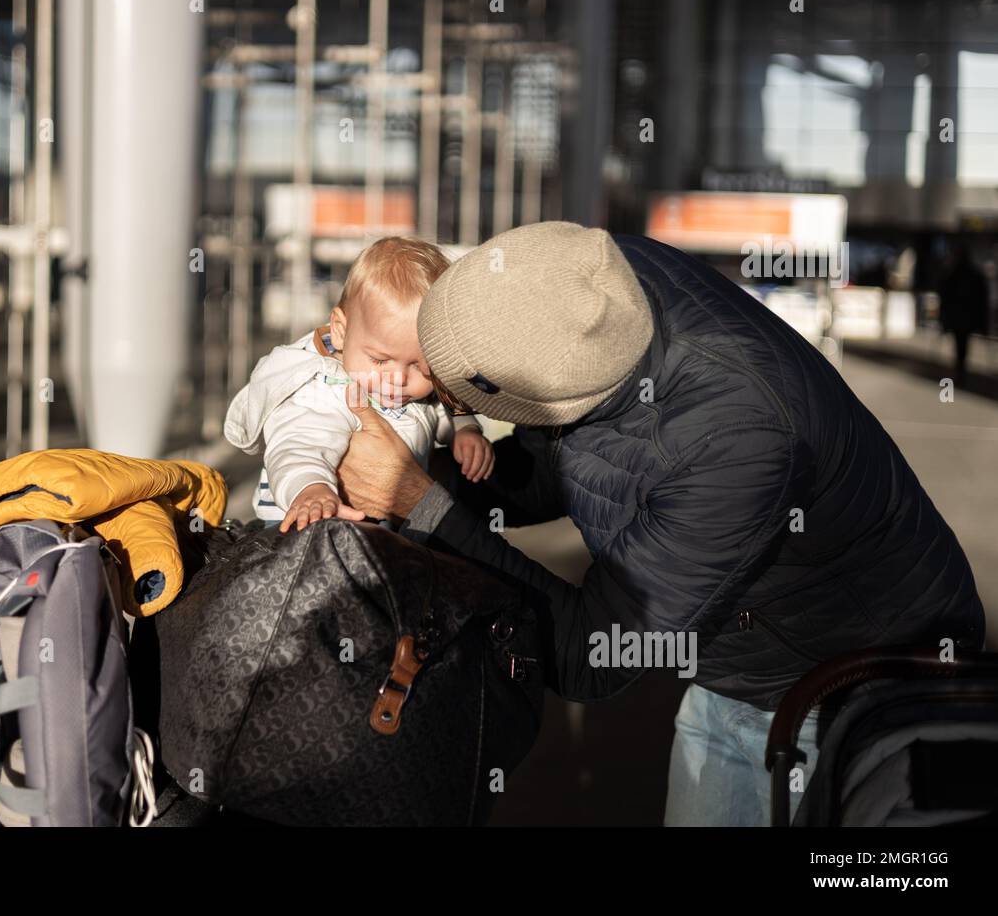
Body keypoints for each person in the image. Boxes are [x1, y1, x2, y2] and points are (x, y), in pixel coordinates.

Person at [335, 221, 985, 826]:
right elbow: (550, 468)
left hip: (841, 680)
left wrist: (420, 499)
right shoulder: (591, 280)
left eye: (452, 396)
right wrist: (422, 480)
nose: (436, 400)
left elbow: (592, 653)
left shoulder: (741, 438)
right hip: (737, 652)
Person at [224, 236, 494, 532]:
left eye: (422, 366)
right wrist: (311, 490)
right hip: (306, 528)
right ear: (340, 331)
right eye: (380, 360)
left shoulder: (416, 393)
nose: (399, 379)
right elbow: (297, 447)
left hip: (381, 535)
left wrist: (464, 429)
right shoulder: (322, 390)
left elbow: (439, 407)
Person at [938, 242, 990, 388]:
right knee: (962, 344)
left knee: (960, 344)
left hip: (959, 317)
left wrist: (944, 318)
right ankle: (961, 370)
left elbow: (944, 296)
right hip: (966, 317)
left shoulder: (952, 274)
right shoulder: (971, 275)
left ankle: (960, 370)